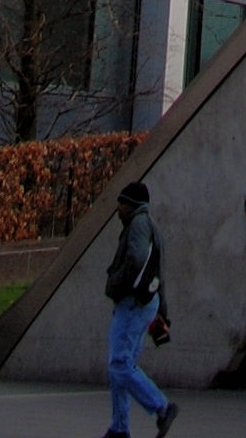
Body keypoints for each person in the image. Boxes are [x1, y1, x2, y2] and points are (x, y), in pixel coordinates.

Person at [103, 177, 170, 438]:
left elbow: (138, 260)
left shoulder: (139, 224)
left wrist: (118, 282)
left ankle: (161, 407)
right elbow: (159, 273)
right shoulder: (149, 226)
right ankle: (119, 428)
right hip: (143, 303)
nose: (117, 208)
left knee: (120, 363)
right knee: (120, 364)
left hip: (133, 303)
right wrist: (163, 310)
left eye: (121, 202)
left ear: (131, 204)